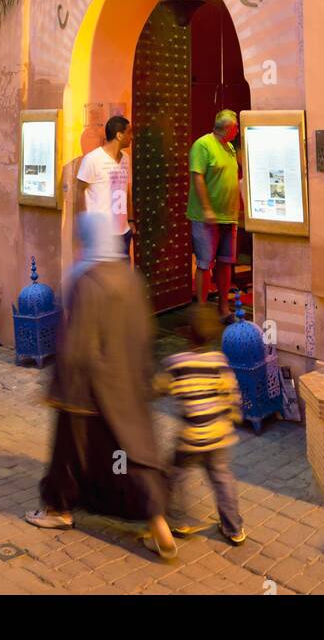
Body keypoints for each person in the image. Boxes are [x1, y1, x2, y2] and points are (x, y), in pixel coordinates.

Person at [25, 210, 176, 560]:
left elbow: (76, 343)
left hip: (87, 392)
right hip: (126, 389)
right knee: (127, 456)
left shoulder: (86, 281)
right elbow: (143, 335)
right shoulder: (131, 279)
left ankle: (58, 510)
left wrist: (59, 385)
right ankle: (157, 523)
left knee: (68, 453)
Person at [159, 303, 246, 545]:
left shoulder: (176, 363)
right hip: (219, 434)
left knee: (175, 476)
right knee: (222, 479)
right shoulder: (219, 361)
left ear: (187, 333)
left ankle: (179, 522)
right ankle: (233, 528)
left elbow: (162, 387)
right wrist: (233, 416)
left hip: (191, 437)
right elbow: (231, 392)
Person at [187, 109, 242, 319]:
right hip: (206, 218)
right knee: (204, 264)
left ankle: (223, 307)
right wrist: (207, 208)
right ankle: (201, 312)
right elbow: (198, 178)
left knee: (226, 262)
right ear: (228, 128)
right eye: (236, 127)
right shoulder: (203, 145)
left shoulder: (228, 147)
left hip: (229, 216)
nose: (237, 132)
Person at [75, 115, 136, 258]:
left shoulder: (125, 159)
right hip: (102, 235)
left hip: (123, 233)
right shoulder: (92, 160)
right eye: (129, 132)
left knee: (122, 278)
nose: (132, 137)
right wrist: (85, 228)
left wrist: (131, 221)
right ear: (119, 135)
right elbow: (79, 192)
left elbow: (126, 191)